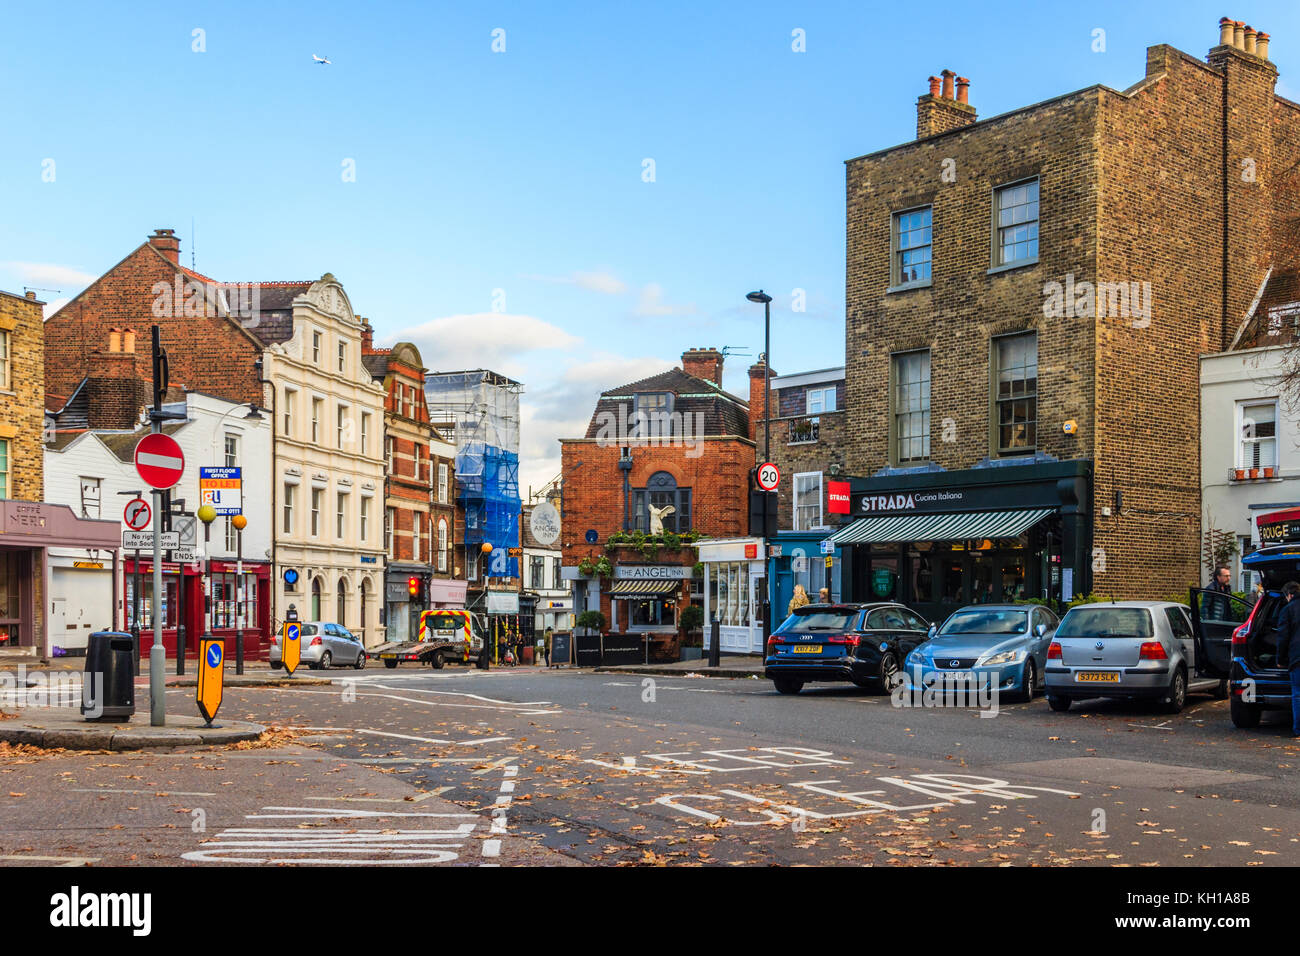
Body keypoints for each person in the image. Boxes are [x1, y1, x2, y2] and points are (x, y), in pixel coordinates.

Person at [1275, 581, 1300, 738]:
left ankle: (1298, 729)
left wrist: (1281, 659)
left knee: (1298, 694)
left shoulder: (1288, 609)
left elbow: (1283, 637)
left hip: (1297, 657)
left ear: (1289, 595)